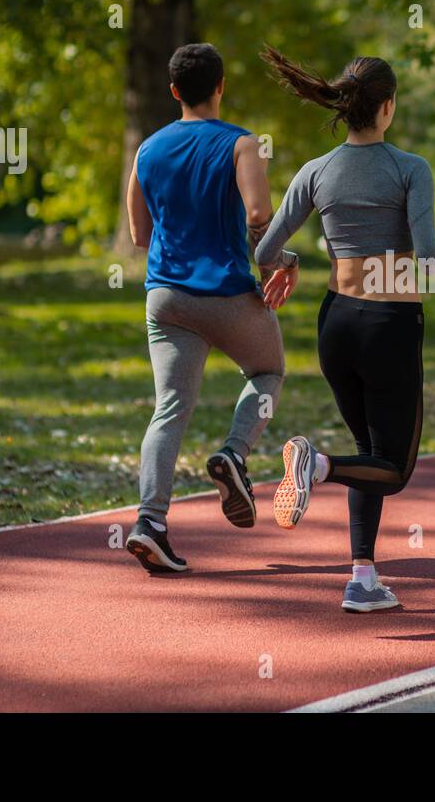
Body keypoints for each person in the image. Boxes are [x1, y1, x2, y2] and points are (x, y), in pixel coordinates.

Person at [255, 45, 435, 612]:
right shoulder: (410, 168)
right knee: (394, 468)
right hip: (389, 323)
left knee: (371, 449)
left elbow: (266, 248)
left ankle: (362, 578)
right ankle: (317, 464)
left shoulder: (316, 170)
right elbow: (429, 258)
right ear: (386, 107)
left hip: (335, 326)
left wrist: (290, 264)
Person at [123, 43, 299, 573]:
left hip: (166, 298)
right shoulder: (242, 144)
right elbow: (259, 214)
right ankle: (234, 455)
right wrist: (283, 262)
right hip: (225, 292)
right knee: (268, 371)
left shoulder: (147, 150)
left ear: (174, 91)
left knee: (169, 407)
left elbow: (137, 234)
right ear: (221, 86)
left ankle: (149, 522)